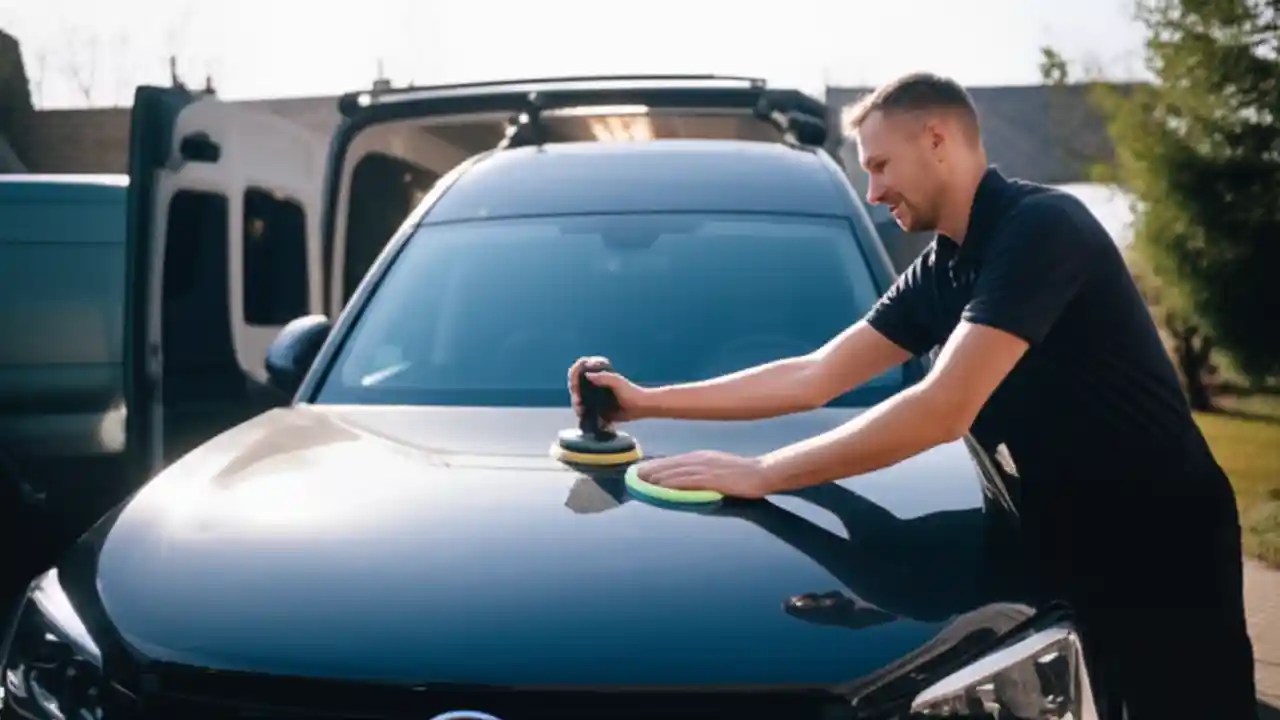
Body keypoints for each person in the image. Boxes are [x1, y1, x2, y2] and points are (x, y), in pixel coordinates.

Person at [566, 72, 1258, 718]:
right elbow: (817, 374)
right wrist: (646, 402)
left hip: (1163, 540)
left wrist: (764, 472)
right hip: (1072, 537)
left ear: (937, 140)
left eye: (879, 166)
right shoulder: (941, 271)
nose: (872, 192)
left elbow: (941, 407)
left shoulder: (1042, 230)